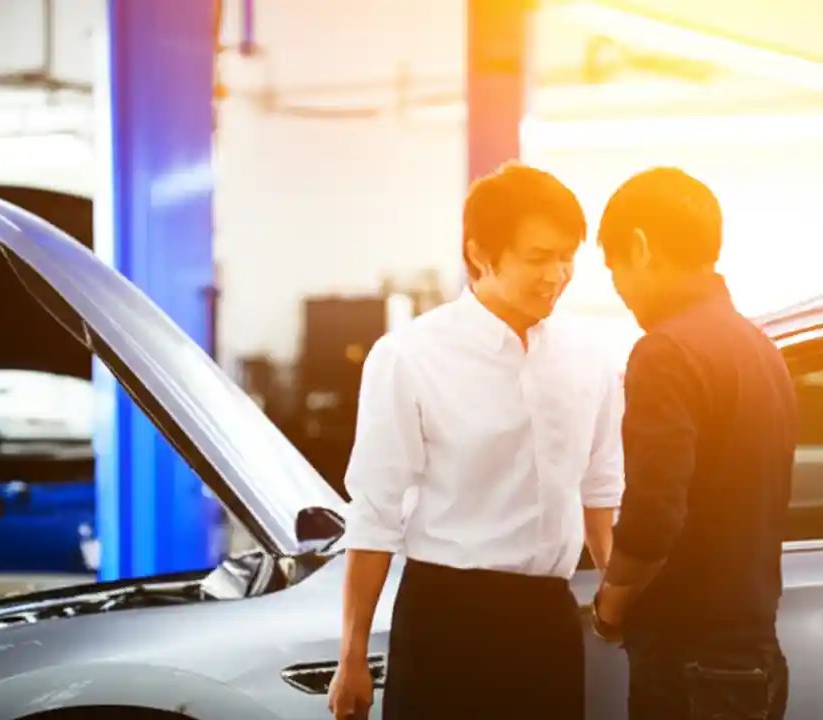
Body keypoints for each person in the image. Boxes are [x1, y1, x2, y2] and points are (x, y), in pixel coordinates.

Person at [327, 162, 626, 720]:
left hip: (547, 623)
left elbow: (601, 487)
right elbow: (375, 514)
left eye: (567, 257)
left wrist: (614, 591)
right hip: (446, 619)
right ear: (480, 254)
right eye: (538, 258)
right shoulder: (409, 357)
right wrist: (353, 657)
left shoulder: (591, 360)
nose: (556, 275)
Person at [590, 167, 798, 719]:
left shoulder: (665, 353)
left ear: (640, 247)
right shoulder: (760, 349)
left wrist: (611, 604)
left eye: (616, 273)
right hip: (755, 658)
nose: (623, 294)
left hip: (691, 664)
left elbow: (655, 512)